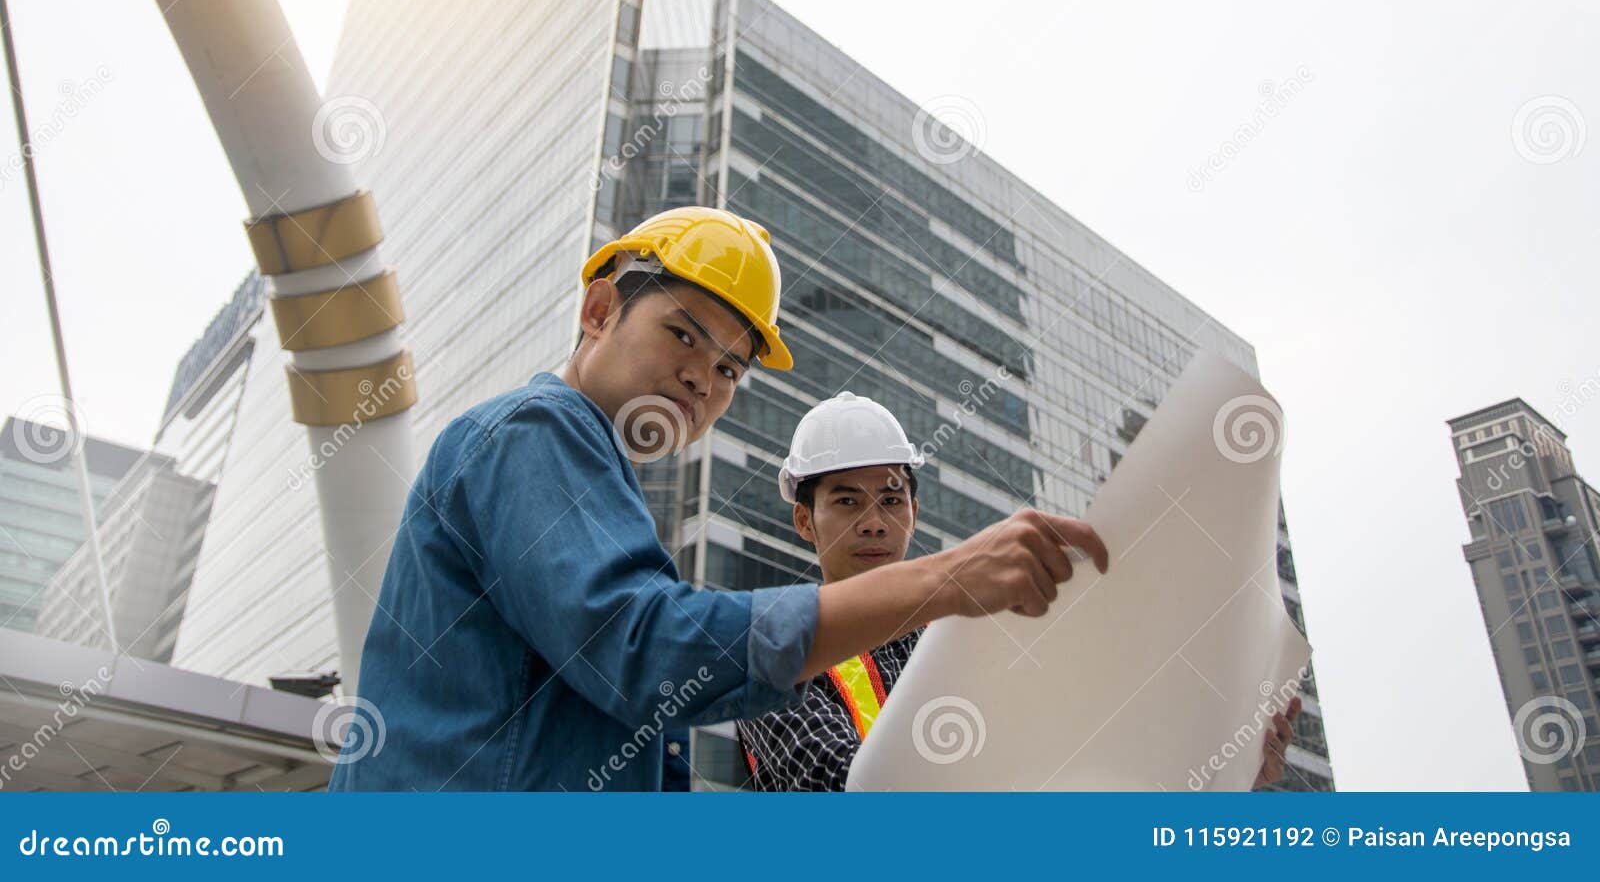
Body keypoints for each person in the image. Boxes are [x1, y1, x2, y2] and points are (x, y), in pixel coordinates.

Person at [328, 207, 1108, 790]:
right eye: (684, 334)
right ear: (599, 311)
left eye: (732, 368)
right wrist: (947, 578)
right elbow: (650, 650)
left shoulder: (595, 484)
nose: (704, 377)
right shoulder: (531, 433)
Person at [736, 391, 1301, 791]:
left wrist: (1222, 771)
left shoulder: (975, 639)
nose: (874, 522)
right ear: (805, 521)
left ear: (914, 511)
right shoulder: (775, 656)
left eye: (890, 499)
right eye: (846, 501)